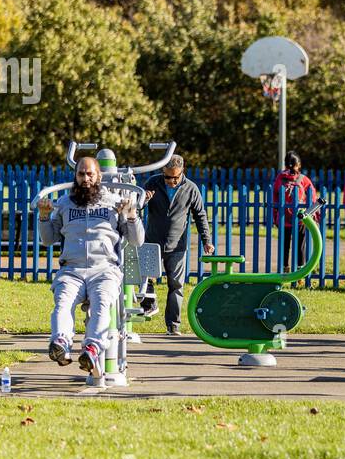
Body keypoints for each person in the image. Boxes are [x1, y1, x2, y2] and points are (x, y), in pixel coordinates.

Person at [38, 156, 143, 377]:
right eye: (81, 174)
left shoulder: (114, 203)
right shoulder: (65, 204)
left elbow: (136, 240)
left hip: (104, 269)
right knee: (62, 302)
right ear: (75, 177)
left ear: (99, 177)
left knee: (102, 304)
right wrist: (44, 217)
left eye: (90, 174)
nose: (85, 179)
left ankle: (92, 348)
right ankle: (61, 343)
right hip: (72, 270)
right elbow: (48, 240)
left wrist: (131, 215)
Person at [141, 155, 214, 335]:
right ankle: (149, 304)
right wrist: (144, 200)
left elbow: (200, 216)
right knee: (144, 278)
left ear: (182, 172)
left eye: (176, 177)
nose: (172, 181)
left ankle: (173, 325)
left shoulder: (190, 188)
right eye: (168, 177)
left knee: (176, 286)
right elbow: (135, 207)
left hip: (177, 246)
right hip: (153, 241)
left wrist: (207, 241)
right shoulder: (153, 183)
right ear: (162, 172)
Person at [271, 150, 320, 270]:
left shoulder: (280, 178)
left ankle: (284, 268)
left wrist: (275, 217)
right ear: (299, 164)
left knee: (284, 245)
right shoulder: (303, 179)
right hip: (300, 219)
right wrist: (313, 216)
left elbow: (275, 198)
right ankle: (300, 271)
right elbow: (312, 198)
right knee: (300, 246)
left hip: (284, 218)